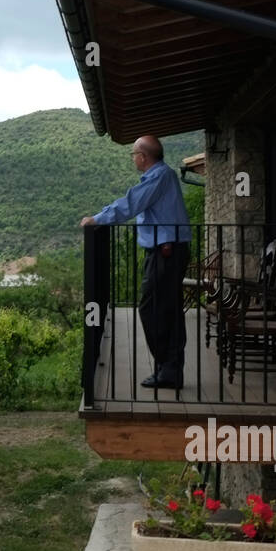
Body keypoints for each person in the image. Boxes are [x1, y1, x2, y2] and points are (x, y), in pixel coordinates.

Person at [80, 136, 192, 389]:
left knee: (152, 308)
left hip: (166, 252)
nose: (133, 159)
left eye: (134, 154)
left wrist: (97, 219)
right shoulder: (164, 176)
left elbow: (132, 202)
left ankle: (167, 368)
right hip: (168, 251)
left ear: (143, 156)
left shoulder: (159, 176)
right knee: (167, 310)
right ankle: (170, 370)